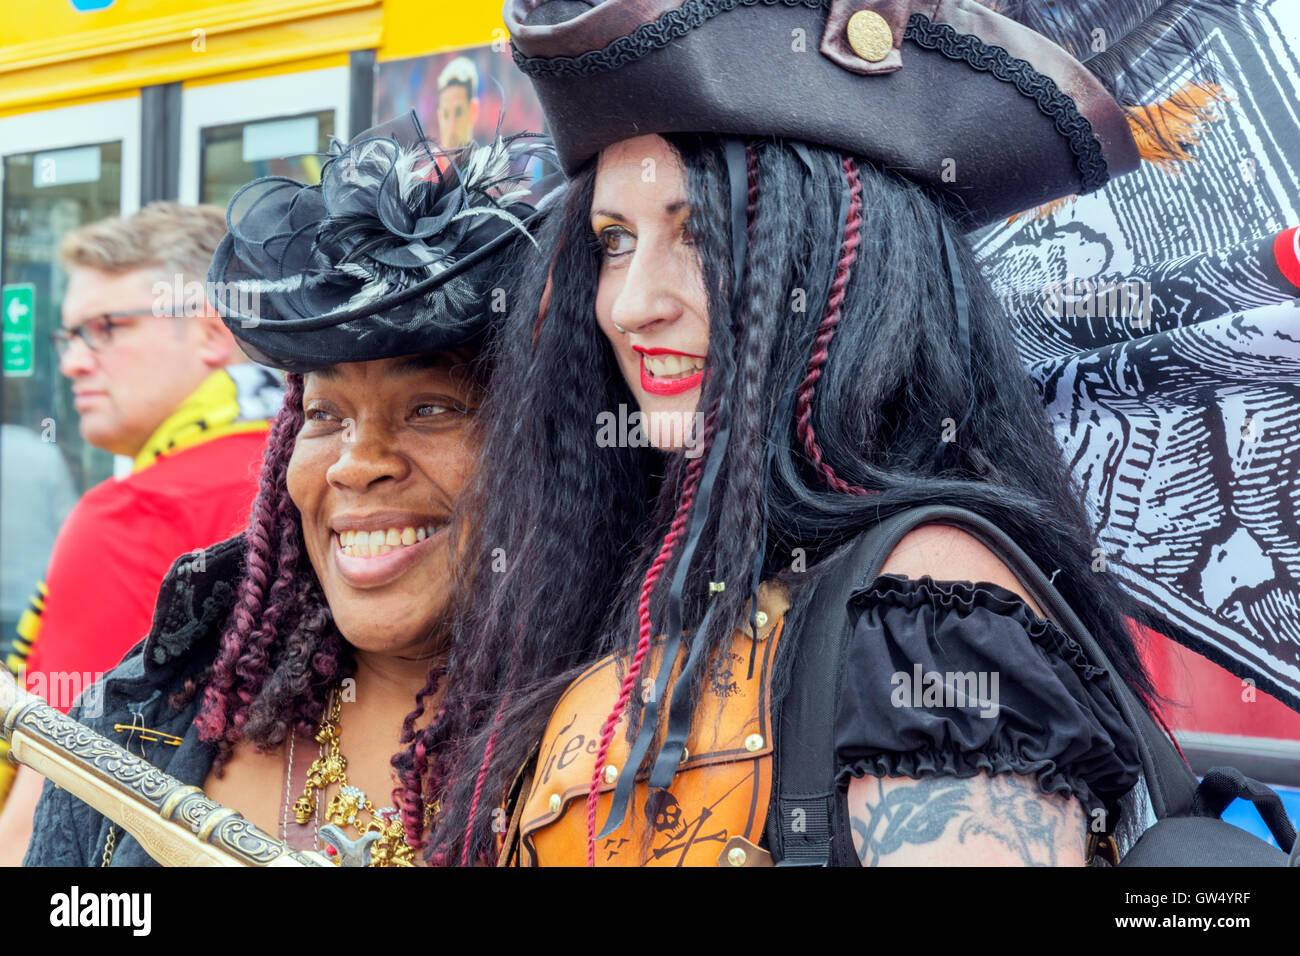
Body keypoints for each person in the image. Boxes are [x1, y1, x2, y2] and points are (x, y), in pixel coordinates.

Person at [405, 0, 1260, 865]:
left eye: (699, 230)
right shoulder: (647, 574)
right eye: (615, 240)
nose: (632, 305)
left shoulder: (931, 607)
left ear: (850, 260)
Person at [22, 111, 552, 866]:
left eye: (430, 408)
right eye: (326, 413)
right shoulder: (140, 725)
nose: (355, 462)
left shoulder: (645, 742)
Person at [0, 202, 284, 863]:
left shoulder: (132, 512)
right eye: (67, 338)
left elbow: (47, 800)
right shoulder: (324, 474)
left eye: (105, 328)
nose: (73, 362)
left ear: (212, 329)